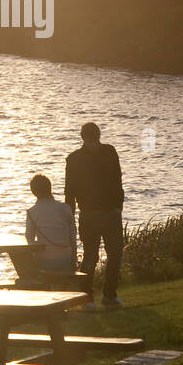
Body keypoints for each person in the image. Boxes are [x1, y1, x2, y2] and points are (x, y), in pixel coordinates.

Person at [64, 122, 124, 310]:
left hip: (111, 213)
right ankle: (86, 298)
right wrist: (69, 217)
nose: (93, 144)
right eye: (90, 141)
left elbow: (117, 178)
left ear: (99, 137)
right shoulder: (73, 159)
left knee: (115, 254)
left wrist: (118, 205)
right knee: (90, 257)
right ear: (83, 139)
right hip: (88, 214)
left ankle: (110, 295)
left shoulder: (110, 152)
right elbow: (70, 191)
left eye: (95, 140)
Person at [25, 173, 77, 273]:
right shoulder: (65, 208)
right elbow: (72, 238)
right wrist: (73, 260)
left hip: (43, 260)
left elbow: (29, 238)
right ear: (50, 188)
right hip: (65, 260)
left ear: (33, 192)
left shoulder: (31, 212)